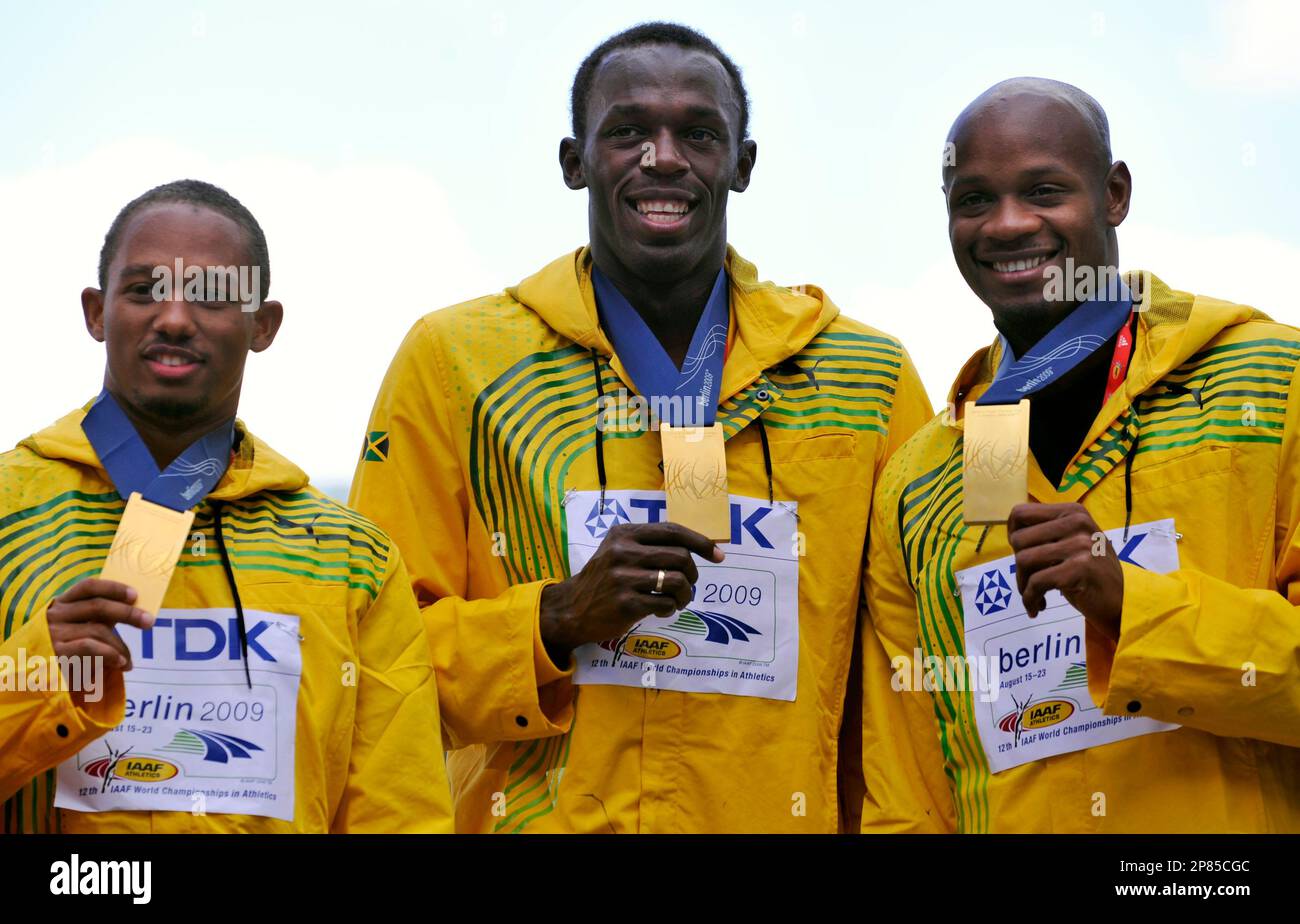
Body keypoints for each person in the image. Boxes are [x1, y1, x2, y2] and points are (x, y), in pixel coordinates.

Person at [350, 22, 931, 833]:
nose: (664, 158)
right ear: (574, 161)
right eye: (628, 132)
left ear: (743, 164)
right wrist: (553, 619)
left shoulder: (865, 376)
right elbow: (379, 666)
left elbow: (913, 659)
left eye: (698, 133)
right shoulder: (457, 361)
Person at [860, 77, 1300, 833]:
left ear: (1115, 193)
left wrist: (1133, 604)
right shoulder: (922, 477)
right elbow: (908, 788)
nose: (1007, 224)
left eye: (1043, 190)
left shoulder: (1268, 382)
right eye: (973, 200)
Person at [0, 179, 453, 833]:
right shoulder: (8, 512)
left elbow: (399, 813)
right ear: (97, 312)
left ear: (262, 325)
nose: (176, 318)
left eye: (212, 296)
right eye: (145, 290)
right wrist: (35, 673)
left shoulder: (352, 557)